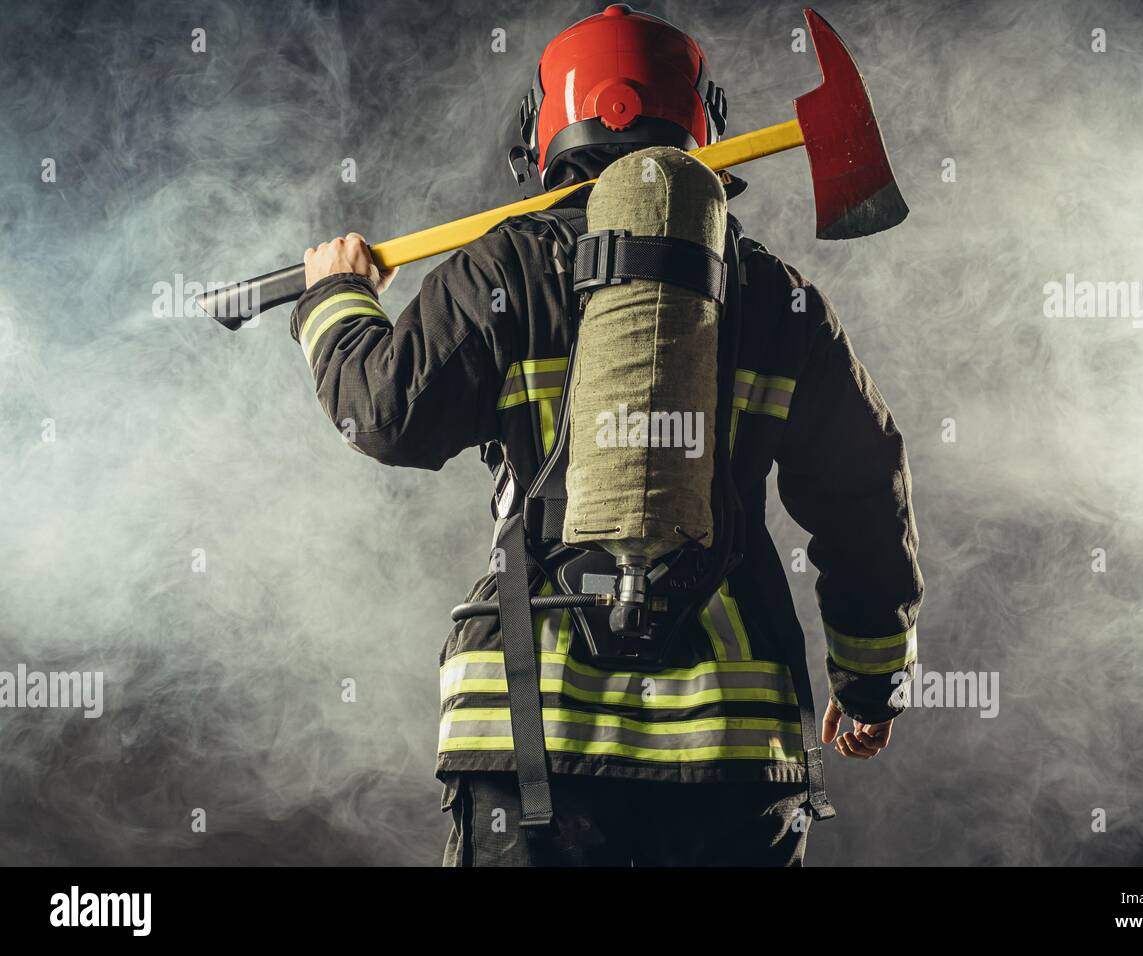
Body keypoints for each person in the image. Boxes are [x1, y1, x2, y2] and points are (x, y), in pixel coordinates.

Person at [293, 4, 922, 866]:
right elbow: (864, 496)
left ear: (540, 131)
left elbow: (380, 410)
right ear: (705, 123)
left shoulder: (504, 267)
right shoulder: (779, 297)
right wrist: (870, 681)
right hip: (733, 764)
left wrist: (335, 296)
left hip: (532, 748)